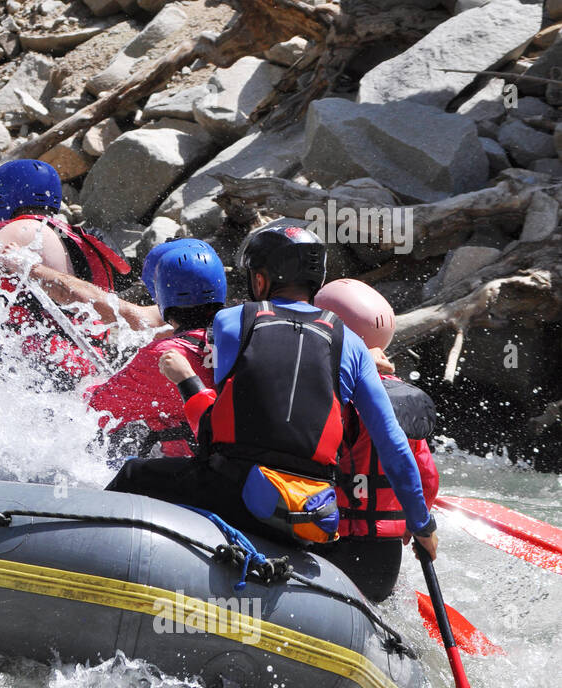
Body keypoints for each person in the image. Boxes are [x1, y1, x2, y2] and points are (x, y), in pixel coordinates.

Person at [106, 218, 439, 563]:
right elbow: (393, 442)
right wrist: (422, 524)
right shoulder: (353, 344)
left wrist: (187, 380)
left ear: (260, 280)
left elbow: (220, 423)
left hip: (238, 494)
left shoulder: (231, 321)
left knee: (134, 472)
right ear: (316, 280)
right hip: (313, 512)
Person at [0, 161, 160, 382]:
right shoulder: (60, 234)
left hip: (43, 368)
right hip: (70, 367)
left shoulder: (27, 229)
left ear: (2, 200)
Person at [313, 278, 440, 601]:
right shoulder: (403, 398)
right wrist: (417, 520)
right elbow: (426, 474)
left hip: (326, 543)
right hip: (383, 554)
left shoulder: (324, 393)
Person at [86, 238, 225, 460]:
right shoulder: (243, 330)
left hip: (194, 471)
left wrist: (86, 387)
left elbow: (97, 409)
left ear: (162, 295)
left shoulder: (163, 354)